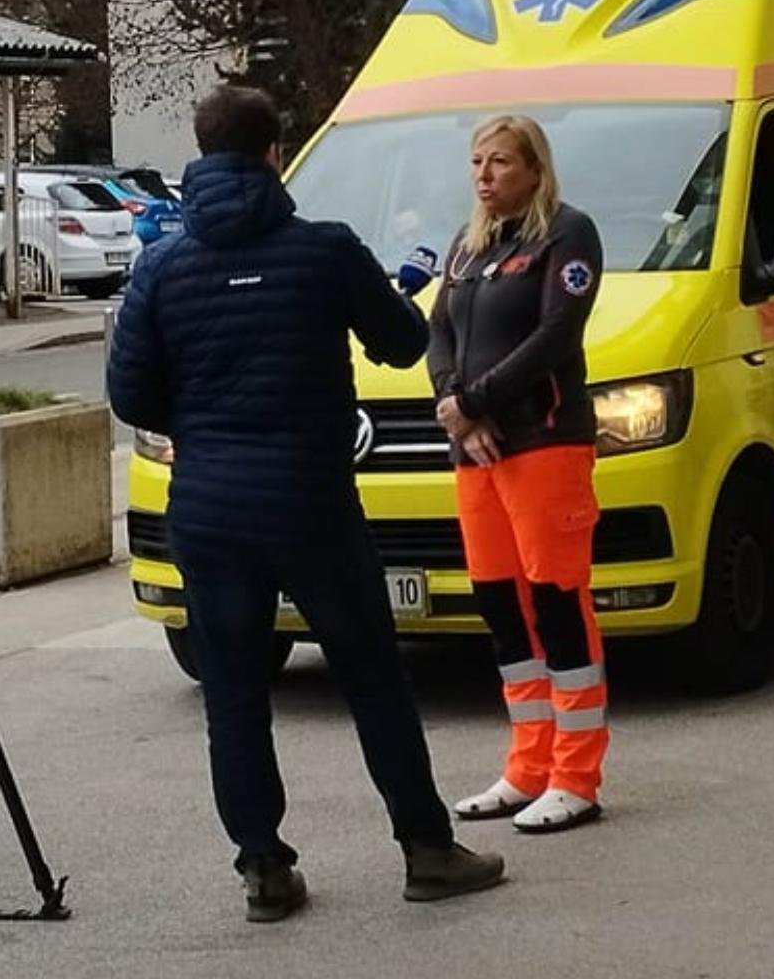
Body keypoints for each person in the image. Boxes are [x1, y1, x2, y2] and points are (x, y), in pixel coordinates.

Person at [106, 85, 505, 923]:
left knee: (235, 692)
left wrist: (206, 429)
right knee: (371, 677)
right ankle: (426, 849)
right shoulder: (323, 250)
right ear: (275, 153)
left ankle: (264, 869)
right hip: (313, 502)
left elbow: (130, 391)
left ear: (200, 153)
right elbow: (401, 344)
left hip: (211, 508)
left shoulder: (163, 266)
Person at [428, 115, 610, 834]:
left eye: (500, 162)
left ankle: (576, 773)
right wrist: (457, 411)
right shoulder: (471, 245)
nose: (484, 175)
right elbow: (440, 329)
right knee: (501, 605)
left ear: (535, 169)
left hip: (544, 442)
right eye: (477, 161)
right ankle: (527, 764)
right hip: (477, 451)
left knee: (557, 602)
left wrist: (476, 401)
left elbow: (555, 334)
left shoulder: (566, 234)